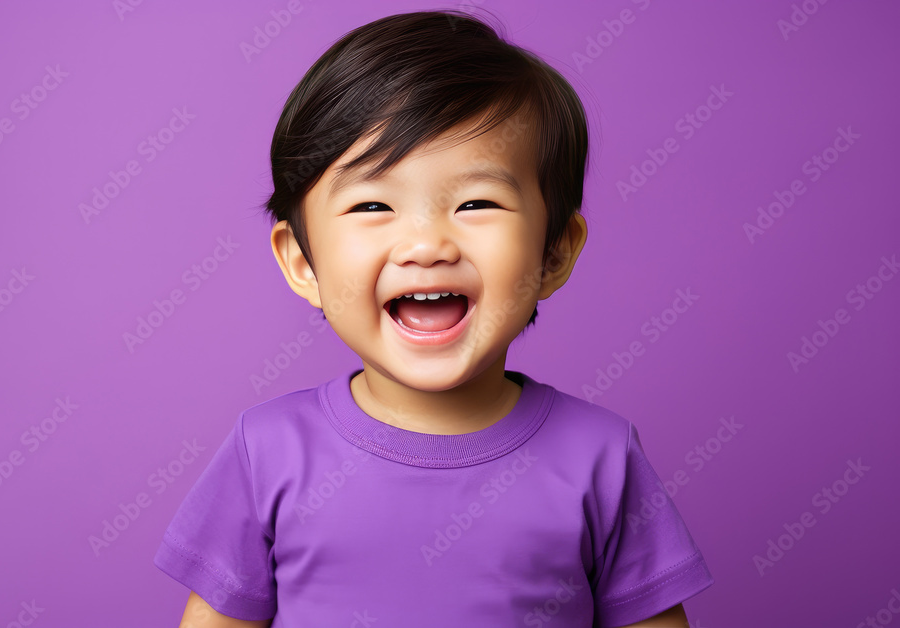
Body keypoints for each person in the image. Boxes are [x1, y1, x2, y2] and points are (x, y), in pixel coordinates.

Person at [154, 9, 714, 627]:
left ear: (555, 251)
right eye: (372, 203)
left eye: (476, 202)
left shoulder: (602, 457)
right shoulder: (266, 452)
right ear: (301, 262)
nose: (427, 245)